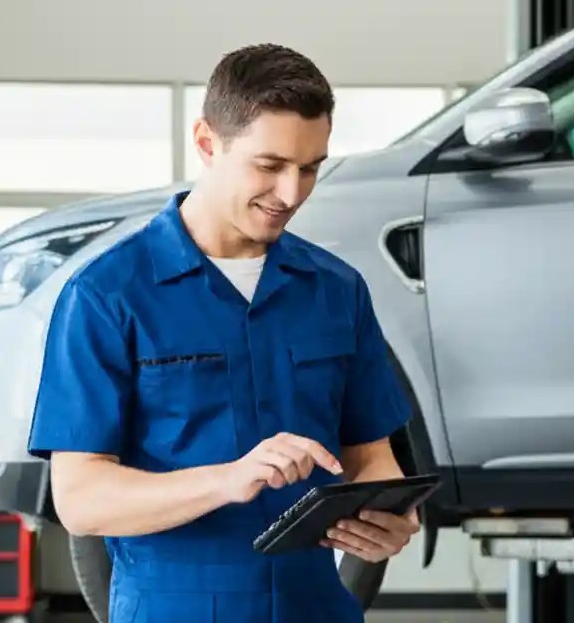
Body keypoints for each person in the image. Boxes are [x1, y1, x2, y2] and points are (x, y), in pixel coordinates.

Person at [26, 43, 418, 623]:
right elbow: (81, 500)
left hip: (316, 608)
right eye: (269, 165)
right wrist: (227, 481)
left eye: (310, 168)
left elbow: (371, 458)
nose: (291, 193)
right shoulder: (107, 295)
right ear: (208, 143)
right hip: (172, 607)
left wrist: (391, 520)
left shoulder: (337, 290)